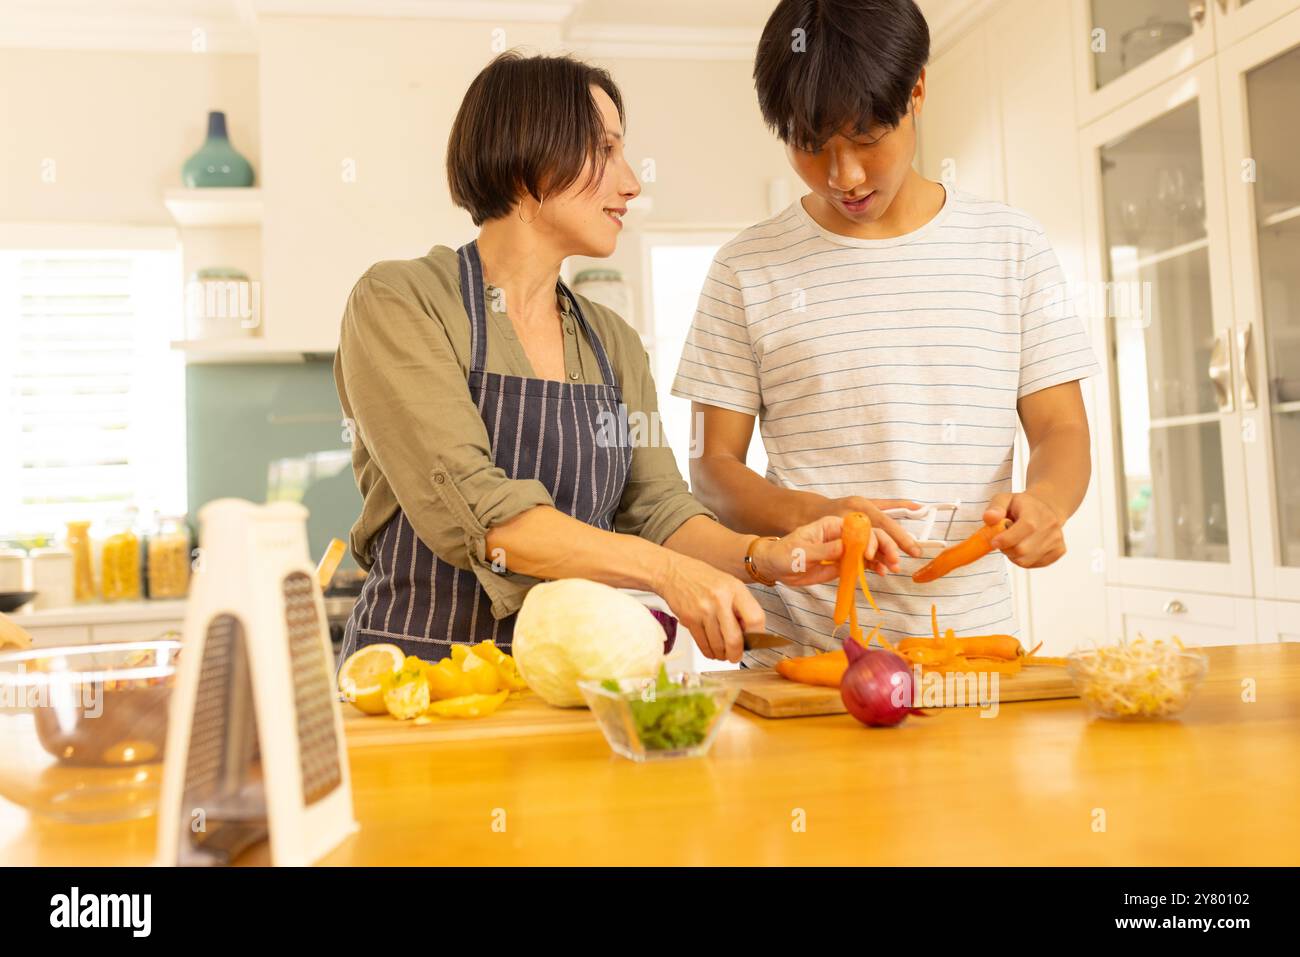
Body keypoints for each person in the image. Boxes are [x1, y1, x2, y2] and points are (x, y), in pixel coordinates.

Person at [335, 51, 862, 667]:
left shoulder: (612, 341)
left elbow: (658, 507)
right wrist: (667, 575)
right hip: (419, 680)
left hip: (568, 683)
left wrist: (761, 557)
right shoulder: (401, 301)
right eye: (604, 150)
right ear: (531, 154)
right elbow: (484, 516)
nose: (632, 182)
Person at [672, 0, 1099, 663]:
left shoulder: (1011, 246)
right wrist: (810, 510)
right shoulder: (745, 267)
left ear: (918, 92)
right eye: (810, 146)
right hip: (803, 656)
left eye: (867, 139)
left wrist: (1046, 502)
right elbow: (712, 465)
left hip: (970, 651)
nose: (844, 176)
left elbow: (1061, 429)